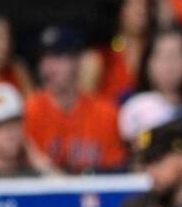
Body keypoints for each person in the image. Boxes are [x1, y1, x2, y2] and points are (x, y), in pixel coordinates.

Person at [22, 25, 123, 174]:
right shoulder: (28, 111)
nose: (48, 68)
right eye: (43, 58)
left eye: (57, 57)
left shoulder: (106, 113)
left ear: (78, 62)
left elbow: (115, 174)